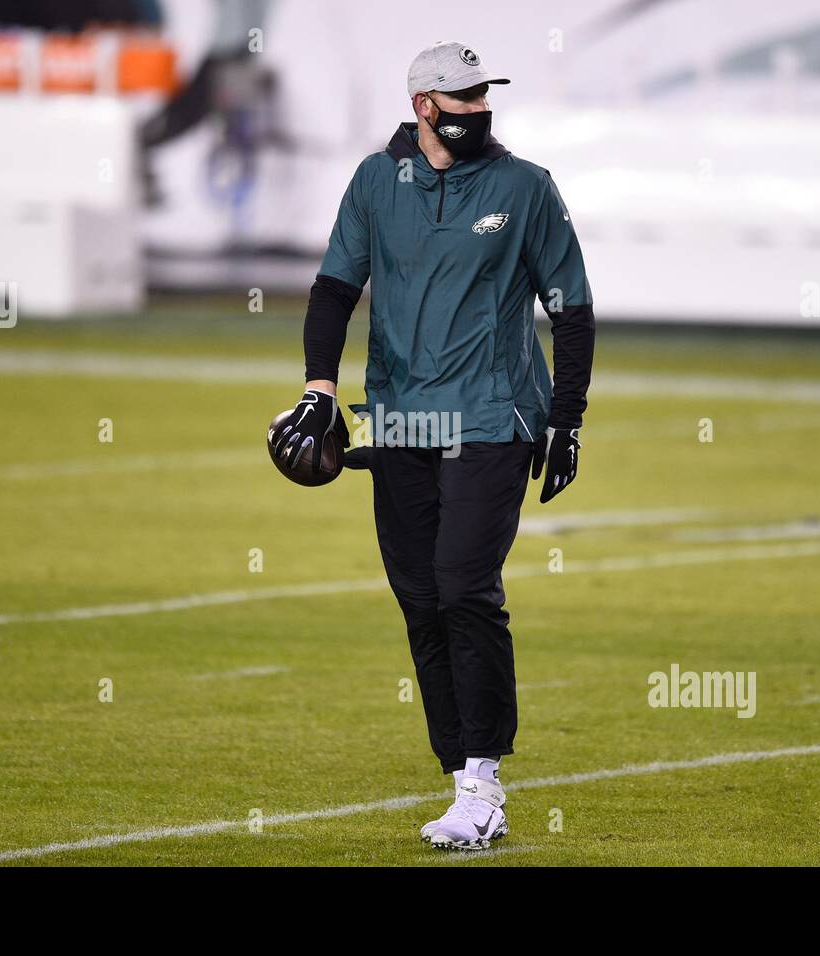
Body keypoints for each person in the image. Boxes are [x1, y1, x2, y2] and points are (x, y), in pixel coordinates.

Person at [269, 40, 595, 851]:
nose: (480, 109)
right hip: (399, 423)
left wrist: (567, 417)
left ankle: (485, 779)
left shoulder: (526, 188)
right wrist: (319, 386)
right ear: (424, 107)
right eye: (463, 99)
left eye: (484, 97)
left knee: (463, 587)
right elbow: (334, 290)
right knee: (420, 599)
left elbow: (574, 310)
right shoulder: (377, 182)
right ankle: (462, 780)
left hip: (492, 418)